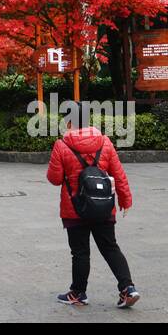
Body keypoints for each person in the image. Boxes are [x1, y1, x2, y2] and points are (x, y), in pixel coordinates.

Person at [46, 119, 141, 309]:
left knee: (80, 252)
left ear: (71, 122)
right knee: (110, 247)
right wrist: (125, 200)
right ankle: (128, 288)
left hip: (74, 208)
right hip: (103, 207)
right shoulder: (105, 141)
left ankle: (78, 293)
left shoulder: (61, 144)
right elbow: (118, 173)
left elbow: (54, 179)